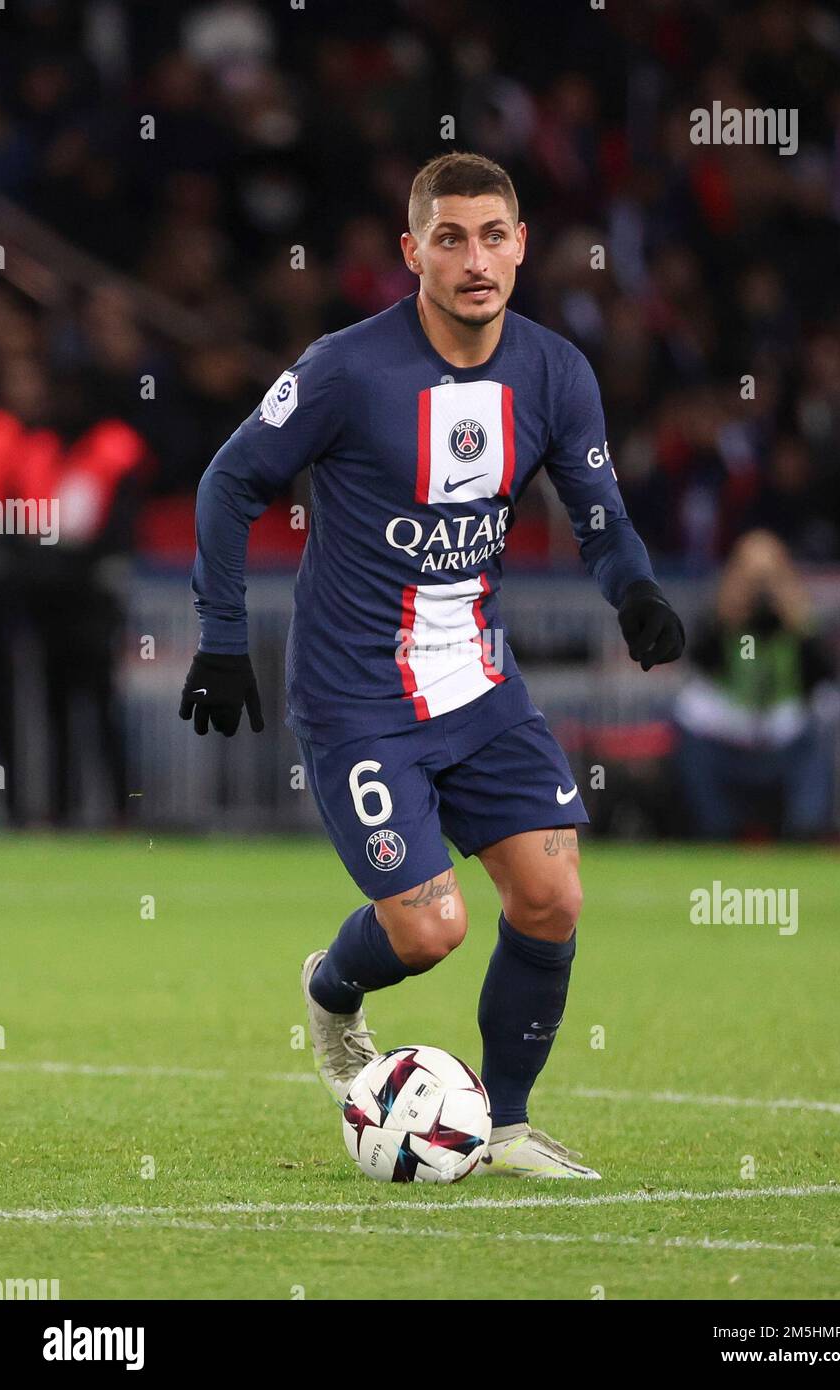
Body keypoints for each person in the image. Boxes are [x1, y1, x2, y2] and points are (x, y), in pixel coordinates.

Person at [180, 152, 684, 1178]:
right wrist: (223, 636)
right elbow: (229, 481)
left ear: (521, 246)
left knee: (551, 896)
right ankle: (333, 987)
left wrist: (633, 590)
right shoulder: (347, 369)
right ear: (412, 253)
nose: (474, 258)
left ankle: (503, 1127)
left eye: (493, 235)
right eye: (449, 238)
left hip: (477, 681)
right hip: (357, 692)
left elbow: (598, 516)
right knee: (430, 928)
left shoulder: (552, 372)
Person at [674, 531, 838, 839]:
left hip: (784, 743)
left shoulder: (800, 625)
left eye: (768, 578)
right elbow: (696, 669)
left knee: (821, 727)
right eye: (753, 579)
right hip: (728, 742)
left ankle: (806, 829)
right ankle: (714, 830)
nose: (760, 591)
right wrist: (728, 616)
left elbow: (827, 678)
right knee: (687, 727)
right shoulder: (717, 621)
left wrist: (796, 619)